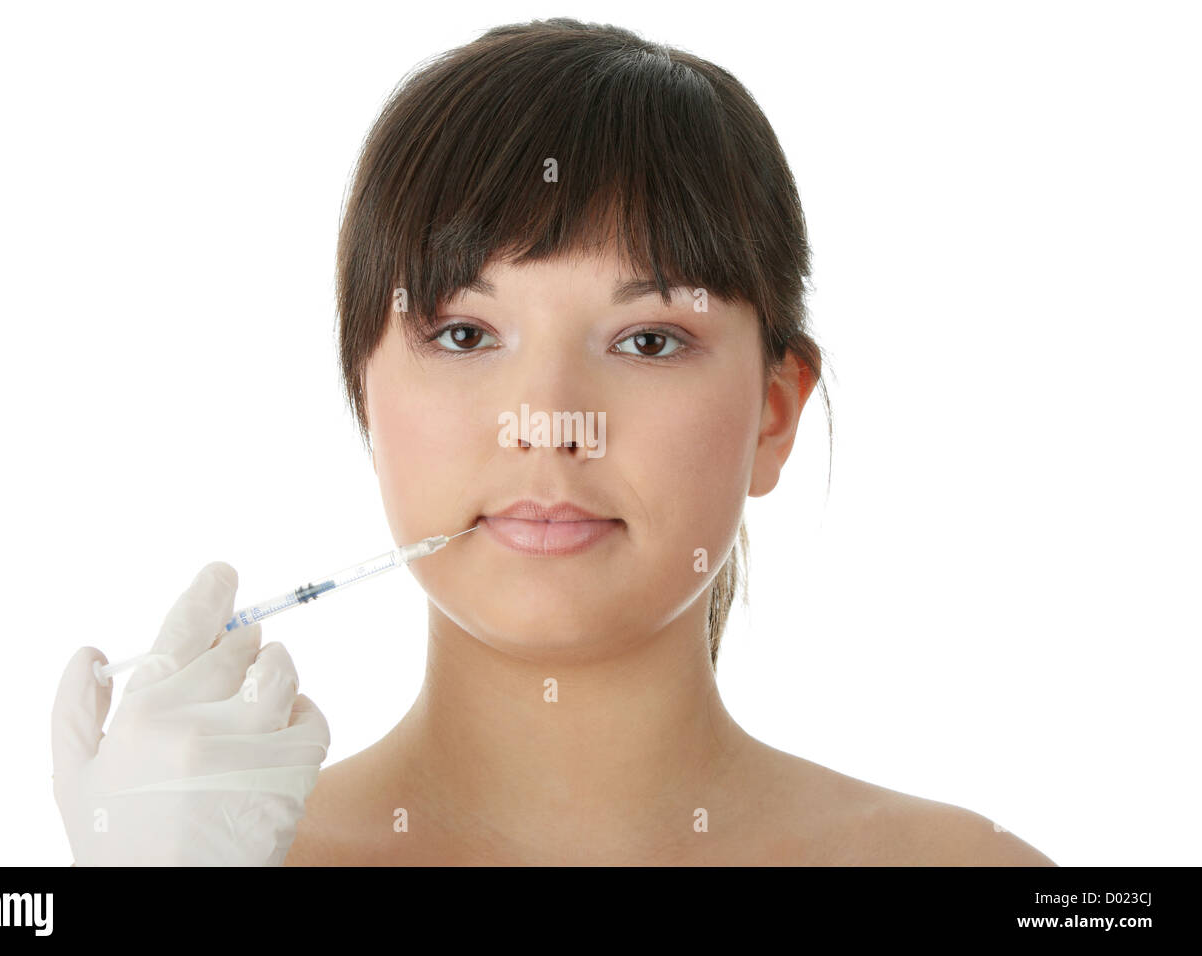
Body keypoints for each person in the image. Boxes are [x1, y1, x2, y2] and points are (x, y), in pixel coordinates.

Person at [282, 18, 1055, 865]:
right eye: (465, 335)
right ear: (364, 390)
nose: (546, 422)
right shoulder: (210, 850)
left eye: (647, 341)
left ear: (774, 413)